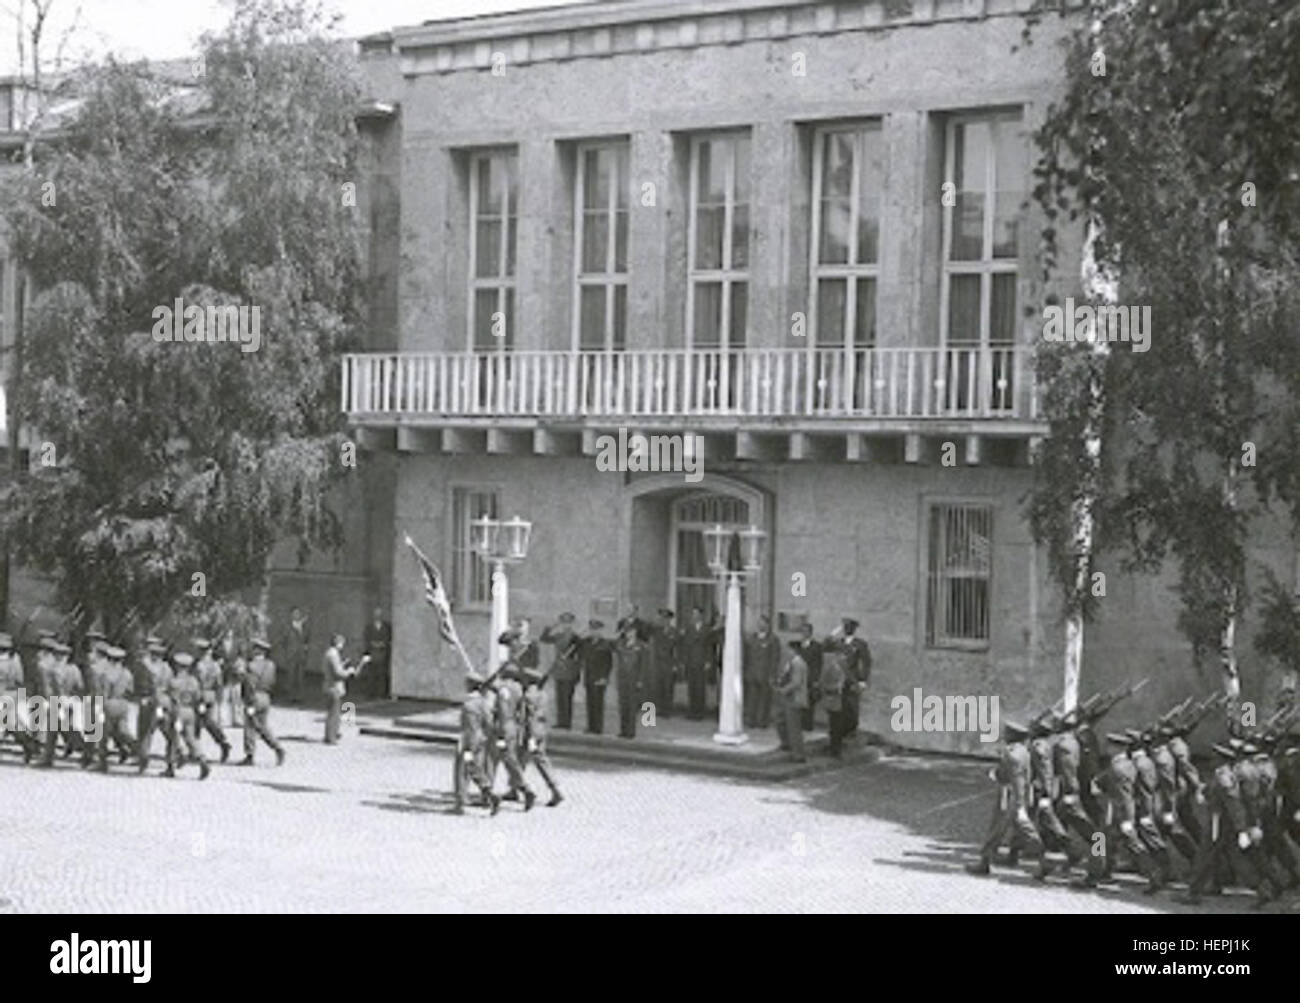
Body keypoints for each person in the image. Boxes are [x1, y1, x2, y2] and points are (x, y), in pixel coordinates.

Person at [966, 721, 1044, 875]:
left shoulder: (1012, 753)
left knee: (1000, 828)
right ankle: (988, 860)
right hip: (1018, 794)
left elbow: (1015, 779)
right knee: (1015, 830)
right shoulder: (1023, 751)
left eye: (1007, 733)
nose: (1004, 735)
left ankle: (1044, 857)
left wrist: (995, 775)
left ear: (1012, 736)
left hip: (1010, 796)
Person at [490, 655, 535, 810]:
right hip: (514, 727)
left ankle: (524, 788)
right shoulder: (518, 688)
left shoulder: (503, 689)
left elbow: (502, 708)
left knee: (500, 759)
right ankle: (520, 788)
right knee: (509, 759)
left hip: (503, 726)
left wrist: (500, 732)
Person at [455, 670, 500, 815]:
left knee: (463, 769)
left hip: (469, 742)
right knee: (475, 767)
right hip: (481, 740)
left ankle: (461, 802)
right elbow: (489, 723)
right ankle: (488, 792)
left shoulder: (468, 704)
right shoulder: (483, 703)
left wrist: (464, 742)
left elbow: (464, 725)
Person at [239, 638, 286, 766]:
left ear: (256, 651)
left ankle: (250, 755)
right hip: (266, 696)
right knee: (263, 726)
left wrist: (248, 701)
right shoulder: (271, 665)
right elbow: (273, 682)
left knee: (250, 727)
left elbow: (249, 685)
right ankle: (277, 748)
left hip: (254, 697)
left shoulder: (251, 666)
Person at [521, 666, 563, 807]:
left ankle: (554, 789)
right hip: (542, 729)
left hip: (531, 731)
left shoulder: (528, 695)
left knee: (525, 759)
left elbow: (529, 716)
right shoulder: (543, 694)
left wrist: (530, 736)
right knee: (535, 760)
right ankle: (515, 787)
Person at [166, 653, 211, 780]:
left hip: (178, 711)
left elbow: (171, 699)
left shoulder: (174, 682)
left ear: (178, 666)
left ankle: (171, 766)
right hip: (190, 711)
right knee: (191, 738)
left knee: (173, 739)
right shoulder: (194, 681)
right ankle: (202, 758)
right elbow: (198, 697)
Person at [93, 646, 138, 773]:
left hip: (109, 703)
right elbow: (130, 691)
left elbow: (102, 692)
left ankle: (102, 762)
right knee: (121, 729)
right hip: (123, 704)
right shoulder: (127, 674)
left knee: (103, 734)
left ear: (109, 659)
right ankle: (133, 746)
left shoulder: (105, 674)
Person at [826, 618, 870, 739]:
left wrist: (863, 680)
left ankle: (851, 730)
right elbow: (825, 646)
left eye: (849, 627)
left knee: (852, 706)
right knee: (840, 706)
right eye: (845, 627)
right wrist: (834, 632)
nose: (847, 629)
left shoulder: (860, 644)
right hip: (839, 678)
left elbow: (866, 662)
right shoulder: (839, 642)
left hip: (852, 678)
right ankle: (842, 731)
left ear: (854, 629)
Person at [135, 637, 174, 774]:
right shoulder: (167, 668)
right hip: (165, 702)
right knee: (169, 733)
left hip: (151, 701)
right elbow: (171, 685)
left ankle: (143, 762)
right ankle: (172, 762)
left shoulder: (145, 666)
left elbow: (141, 685)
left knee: (145, 732)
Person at [323, 633, 368, 744]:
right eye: (342, 643)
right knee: (334, 713)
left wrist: (342, 664)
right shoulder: (333, 655)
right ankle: (330, 737)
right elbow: (338, 673)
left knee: (334, 712)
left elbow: (335, 668)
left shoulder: (329, 653)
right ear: (338, 643)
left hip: (329, 686)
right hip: (334, 687)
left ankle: (333, 733)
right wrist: (349, 671)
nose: (342, 646)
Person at [0, 632, 38, 763]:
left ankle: (28, 746)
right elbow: (20, 679)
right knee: (12, 725)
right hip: (12, 694)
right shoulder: (15, 659)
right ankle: (28, 746)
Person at [540, 612, 581, 730]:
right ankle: (560, 722)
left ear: (572, 624)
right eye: (563, 623)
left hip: (570, 671)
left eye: (568, 623)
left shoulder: (576, 639)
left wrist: (577, 672)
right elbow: (544, 638)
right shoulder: (558, 636)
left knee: (567, 697)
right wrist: (552, 626)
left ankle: (567, 723)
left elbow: (579, 657)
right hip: (559, 670)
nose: (565, 626)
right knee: (560, 697)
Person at [193, 639, 232, 762]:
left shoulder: (199, 666)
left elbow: (196, 683)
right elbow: (219, 683)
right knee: (209, 723)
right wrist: (218, 698)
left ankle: (195, 751)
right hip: (211, 695)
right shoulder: (216, 666)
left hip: (200, 695)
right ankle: (222, 741)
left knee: (196, 725)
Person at [679, 606, 718, 721]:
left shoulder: (707, 629)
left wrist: (709, 661)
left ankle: (699, 712)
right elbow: (685, 646)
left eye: (696, 614)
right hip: (691, 662)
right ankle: (691, 711)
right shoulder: (689, 628)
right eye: (693, 614)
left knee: (700, 688)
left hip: (702, 661)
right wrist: (684, 661)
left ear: (701, 615)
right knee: (692, 687)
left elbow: (710, 647)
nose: (694, 616)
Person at [613, 618, 649, 739]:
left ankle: (630, 731)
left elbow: (643, 665)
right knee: (623, 705)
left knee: (632, 706)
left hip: (634, 680)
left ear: (636, 631)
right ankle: (623, 730)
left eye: (631, 631)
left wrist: (640, 680)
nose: (629, 633)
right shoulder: (621, 644)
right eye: (627, 631)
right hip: (622, 679)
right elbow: (616, 653)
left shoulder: (641, 646)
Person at [743, 614, 780, 730]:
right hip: (752, 673)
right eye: (759, 622)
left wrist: (772, 674)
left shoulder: (773, 639)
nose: (760, 624)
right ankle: (750, 720)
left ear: (768, 625)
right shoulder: (752, 638)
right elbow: (746, 655)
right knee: (751, 698)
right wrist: (746, 671)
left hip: (765, 674)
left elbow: (775, 658)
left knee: (764, 699)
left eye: (763, 622)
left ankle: (762, 721)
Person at [774, 641, 808, 762]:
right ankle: (786, 744)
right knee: (781, 721)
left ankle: (799, 754)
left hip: (794, 698)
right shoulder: (791, 663)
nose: (786, 652)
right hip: (787, 698)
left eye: (789, 650)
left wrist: (784, 690)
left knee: (794, 727)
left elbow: (796, 682)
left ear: (794, 650)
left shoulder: (798, 664)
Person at [579, 619, 612, 735]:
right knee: (590, 703)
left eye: (596, 630)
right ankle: (590, 726)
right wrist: (583, 632)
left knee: (598, 703)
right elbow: (576, 642)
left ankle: (598, 727)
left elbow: (608, 663)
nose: (594, 632)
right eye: (592, 630)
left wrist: (604, 677)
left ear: (601, 631)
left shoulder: (605, 644)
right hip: (589, 676)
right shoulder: (586, 643)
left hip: (599, 677)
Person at [648, 608, 680, 718]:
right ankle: (659, 709)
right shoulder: (657, 630)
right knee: (658, 687)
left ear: (670, 620)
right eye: (662, 618)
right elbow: (648, 628)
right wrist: (655, 619)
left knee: (668, 687)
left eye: (667, 619)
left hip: (669, 663)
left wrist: (675, 664)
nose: (664, 621)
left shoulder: (674, 632)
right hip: (658, 663)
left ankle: (667, 710)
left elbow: (677, 649)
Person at [819, 647, 847, 758]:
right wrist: (834, 688)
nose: (844, 658)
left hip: (839, 701)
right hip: (832, 701)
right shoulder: (830, 668)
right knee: (835, 726)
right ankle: (834, 750)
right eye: (842, 655)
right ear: (837, 655)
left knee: (838, 727)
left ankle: (836, 749)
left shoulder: (843, 668)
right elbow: (823, 683)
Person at [794, 622, 823, 731]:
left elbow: (818, 664)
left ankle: (808, 725)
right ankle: (799, 724)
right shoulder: (798, 645)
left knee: (809, 702)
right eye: (802, 631)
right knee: (799, 701)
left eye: (806, 631)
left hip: (810, 678)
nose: (804, 633)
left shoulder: (816, 646)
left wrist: (816, 679)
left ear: (810, 633)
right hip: (798, 677)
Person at [361, 605, 392, 700]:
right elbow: (366, 639)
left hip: (382, 653)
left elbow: (388, 639)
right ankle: (371, 693)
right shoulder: (369, 627)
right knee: (371, 674)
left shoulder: (386, 627)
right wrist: (371, 647)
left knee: (381, 674)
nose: (377, 615)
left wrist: (382, 644)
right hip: (372, 652)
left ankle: (381, 693)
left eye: (379, 614)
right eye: (376, 613)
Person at [285, 606, 310, 703]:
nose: (297, 615)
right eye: (295, 613)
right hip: (291, 655)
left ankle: (300, 697)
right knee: (290, 677)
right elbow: (284, 639)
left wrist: (305, 649)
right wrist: (288, 651)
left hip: (301, 655)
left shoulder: (304, 626)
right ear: (291, 615)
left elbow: (307, 639)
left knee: (301, 677)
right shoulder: (287, 626)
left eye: (298, 613)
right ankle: (290, 697)